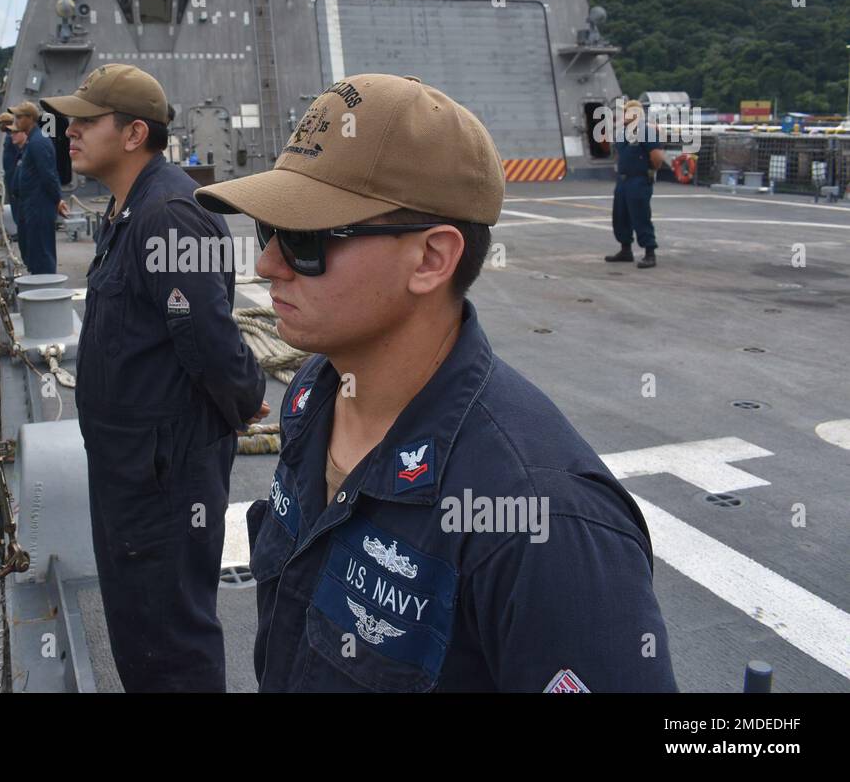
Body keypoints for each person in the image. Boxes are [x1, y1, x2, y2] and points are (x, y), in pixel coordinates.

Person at [195, 73, 677, 693]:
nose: (266, 264)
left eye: (305, 238)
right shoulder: (317, 392)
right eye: (268, 231)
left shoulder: (544, 522)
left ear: (431, 258)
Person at [39, 64, 268, 692]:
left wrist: (244, 400)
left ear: (135, 132)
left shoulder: (167, 214)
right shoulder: (129, 207)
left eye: (86, 121)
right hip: (132, 465)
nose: (71, 132)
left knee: (169, 634)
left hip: (163, 472)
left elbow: (209, 333)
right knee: (139, 626)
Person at [8, 100, 67, 274]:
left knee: (42, 252)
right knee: (33, 251)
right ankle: (38, 284)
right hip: (30, 205)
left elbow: (49, 175)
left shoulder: (38, 142)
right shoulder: (32, 141)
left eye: (19, 117)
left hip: (39, 206)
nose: (16, 121)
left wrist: (57, 200)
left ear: (30, 118)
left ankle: (46, 290)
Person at [605, 99, 664, 268]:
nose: (623, 115)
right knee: (620, 215)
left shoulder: (646, 132)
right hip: (623, 180)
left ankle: (650, 252)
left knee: (640, 216)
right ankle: (625, 250)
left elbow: (657, 157)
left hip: (638, 179)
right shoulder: (622, 133)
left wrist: (651, 171)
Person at [0, 112, 24, 252]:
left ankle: (19, 232)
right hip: (10, 176)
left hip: (12, 177)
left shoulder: (10, 138)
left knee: (16, 206)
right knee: (14, 207)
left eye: (0, 123)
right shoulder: (10, 137)